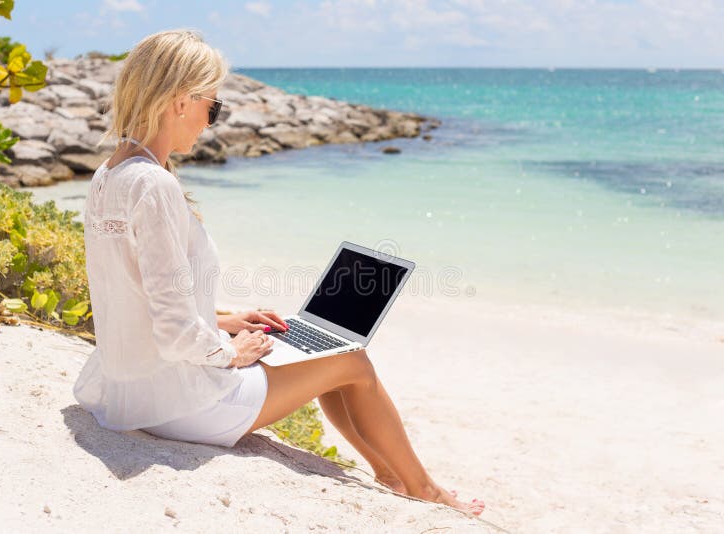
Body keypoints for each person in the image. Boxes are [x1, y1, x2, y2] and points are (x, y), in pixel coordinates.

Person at [73, 28, 484, 516]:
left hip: (124, 388)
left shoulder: (109, 175)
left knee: (327, 358)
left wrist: (224, 319)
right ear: (180, 101)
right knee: (353, 363)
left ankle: (391, 474)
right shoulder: (154, 184)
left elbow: (132, 290)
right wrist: (230, 352)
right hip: (175, 405)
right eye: (213, 106)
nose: (211, 121)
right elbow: (173, 333)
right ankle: (423, 490)